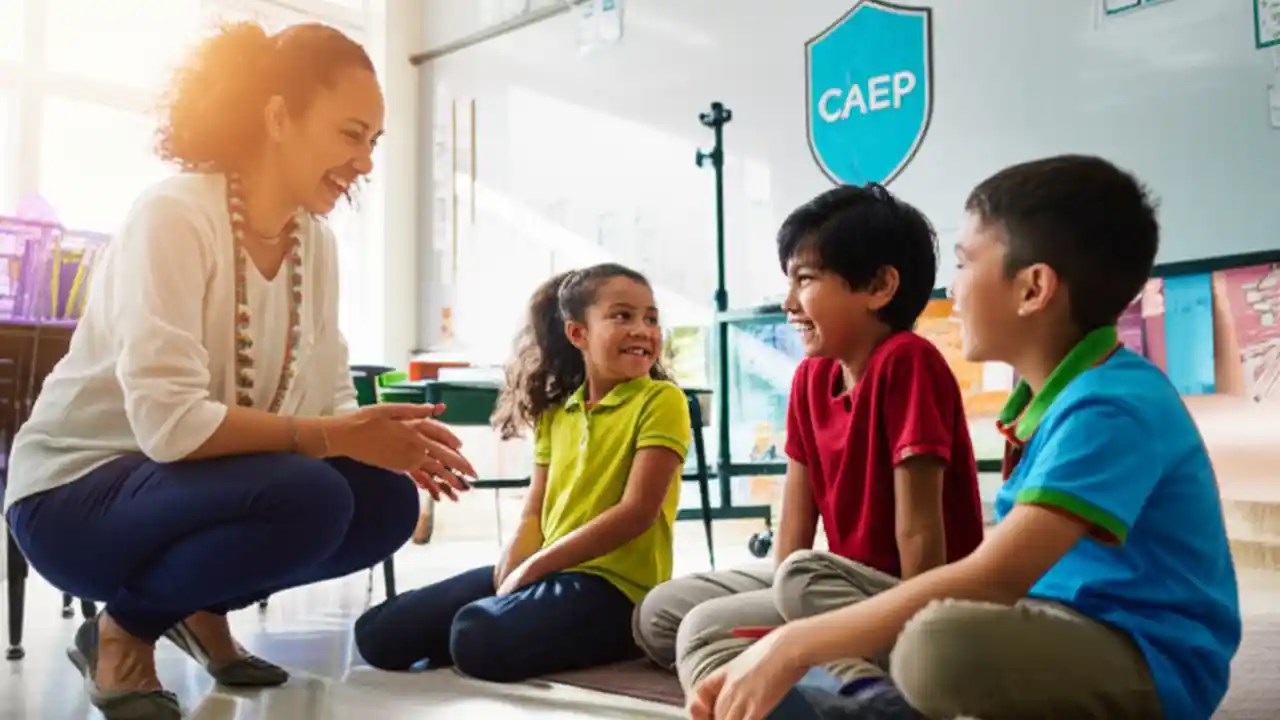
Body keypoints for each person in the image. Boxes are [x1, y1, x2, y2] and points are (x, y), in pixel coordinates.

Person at [3, 22, 475, 720]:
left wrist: (388, 444)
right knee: (312, 492)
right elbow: (170, 428)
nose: (365, 163)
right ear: (278, 116)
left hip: (188, 492)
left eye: (373, 143)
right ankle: (123, 631)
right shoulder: (173, 215)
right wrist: (340, 434)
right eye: (351, 135)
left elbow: (328, 394)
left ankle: (197, 609)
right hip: (77, 501)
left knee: (383, 503)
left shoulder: (315, 244)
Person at [688, 155, 1242, 720]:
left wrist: (797, 642)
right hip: (1050, 626)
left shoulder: (1113, 406)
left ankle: (866, 701)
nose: (951, 291)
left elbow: (993, 576)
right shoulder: (1049, 398)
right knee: (709, 636)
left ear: (1033, 288)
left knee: (936, 645)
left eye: (964, 262)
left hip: (1147, 662)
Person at [633, 184, 984, 697]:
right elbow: (796, 517)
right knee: (661, 615)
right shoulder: (811, 378)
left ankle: (865, 689)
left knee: (795, 582)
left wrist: (921, 636)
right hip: (834, 589)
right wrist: (781, 602)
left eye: (806, 279)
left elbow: (920, 532)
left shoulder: (907, 360)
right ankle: (821, 675)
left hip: (910, 595)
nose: (789, 302)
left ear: (880, 286)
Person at [354, 263, 693, 682]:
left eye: (651, 318)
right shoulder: (557, 413)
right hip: (551, 570)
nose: (643, 329)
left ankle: (590, 633)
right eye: (622, 315)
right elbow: (534, 510)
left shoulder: (663, 400)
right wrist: (510, 568)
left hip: (617, 591)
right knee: (377, 635)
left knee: (476, 635)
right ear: (577, 334)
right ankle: (508, 622)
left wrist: (534, 570)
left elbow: (636, 512)